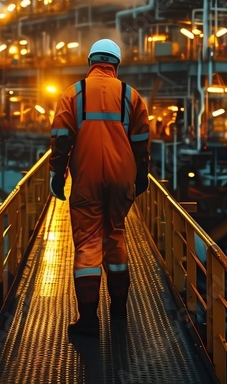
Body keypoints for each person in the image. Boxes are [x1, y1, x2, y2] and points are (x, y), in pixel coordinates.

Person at [49, 38, 151, 336]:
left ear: (90, 62)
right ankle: (119, 312)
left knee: (89, 244)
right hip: (122, 178)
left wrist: (57, 174)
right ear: (116, 65)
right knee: (115, 236)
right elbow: (141, 142)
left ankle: (89, 320)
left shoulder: (74, 93)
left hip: (87, 180)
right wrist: (142, 175)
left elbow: (60, 137)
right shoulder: (131, 96)